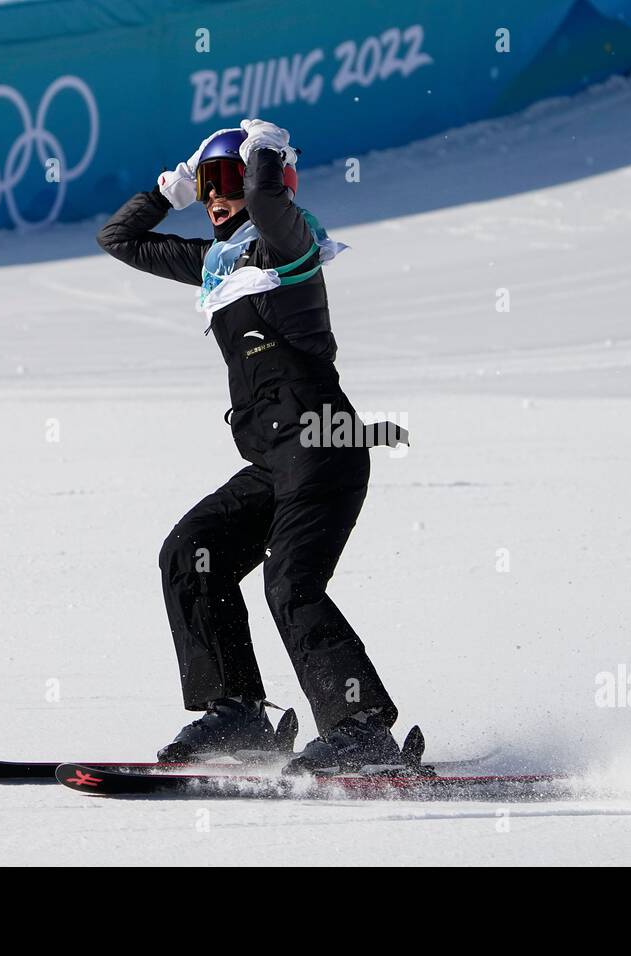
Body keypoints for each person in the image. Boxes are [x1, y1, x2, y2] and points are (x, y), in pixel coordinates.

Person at [97, 119, 405, 773]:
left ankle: (360, 726)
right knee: (192, 552)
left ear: (269, 179)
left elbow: (268, 207)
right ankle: (236, 710)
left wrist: (261, 151)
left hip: (325, 447)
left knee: (290, 582)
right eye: (208, 183)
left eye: (228, 180)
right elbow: (117, 239)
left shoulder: (287, 245)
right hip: (272, 461)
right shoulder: (218, 266)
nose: (216, 196)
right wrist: (168, 187)